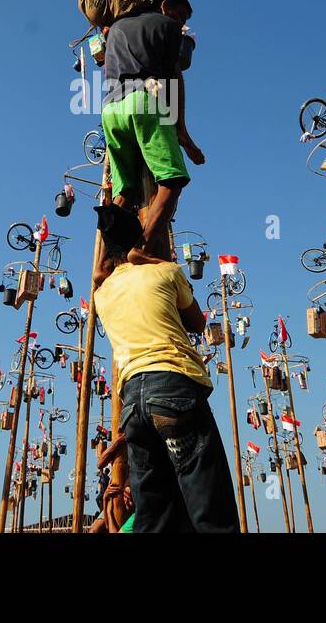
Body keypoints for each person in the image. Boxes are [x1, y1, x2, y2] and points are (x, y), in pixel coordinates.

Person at [91, 205, 239, 533]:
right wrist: (159, 261)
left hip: (133, 405)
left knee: (153, 514)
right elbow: (198, 323)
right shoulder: (166, 272)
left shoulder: (102, 294)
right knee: (209, 505)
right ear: (139, 240)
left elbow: (102, 276)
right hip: (174, 389)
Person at [101, 0, 204, 259]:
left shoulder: (116, 27)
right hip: (143, 101)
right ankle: (143, 248)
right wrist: (183, 132)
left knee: (123, 193)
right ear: (165, 6)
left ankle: (104, 263)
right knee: (172, 181)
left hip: (110, 109)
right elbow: (174, 78)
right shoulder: (168, 27)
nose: (181, 22)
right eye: (180, 15)